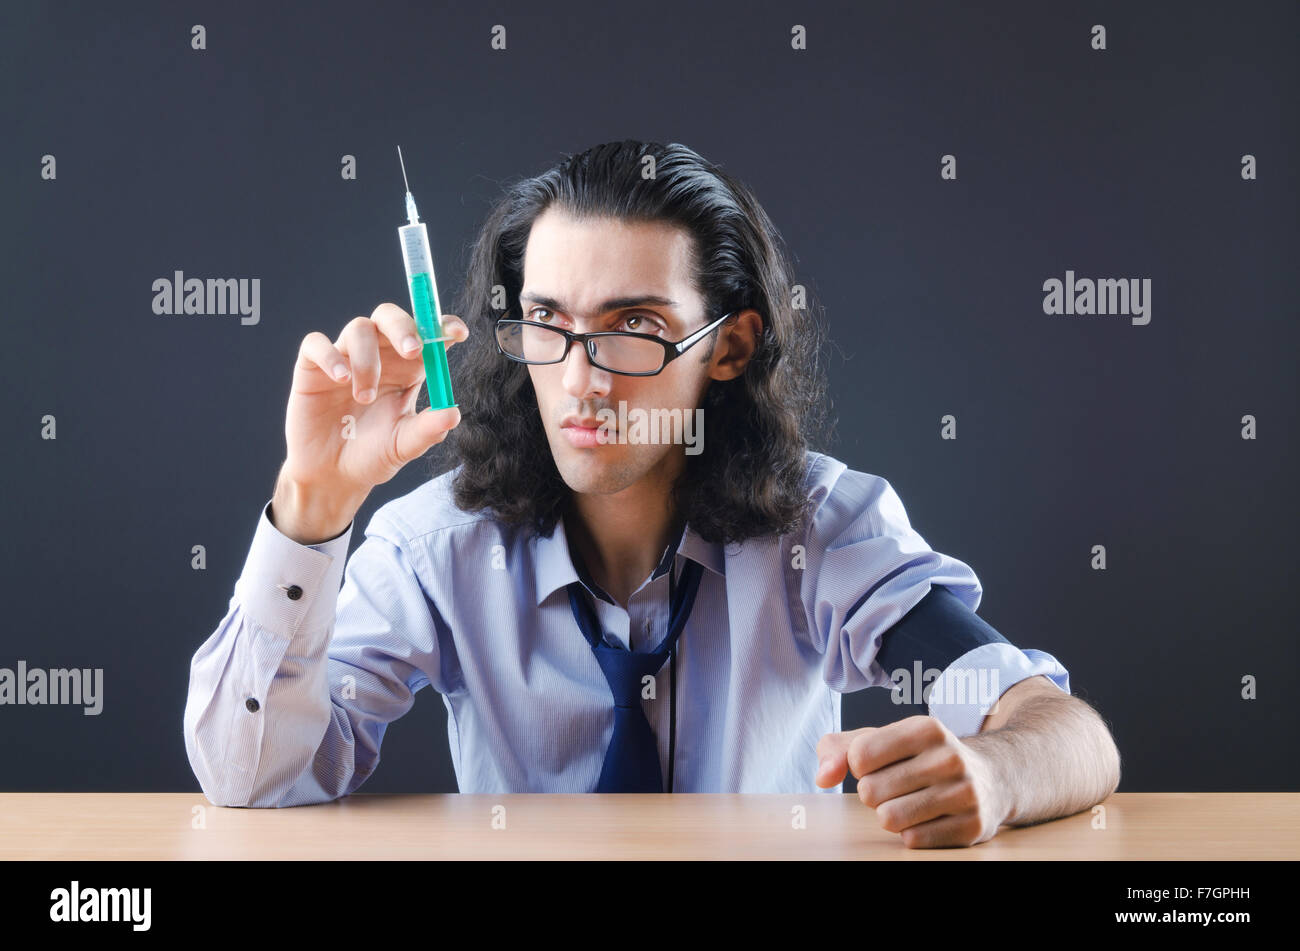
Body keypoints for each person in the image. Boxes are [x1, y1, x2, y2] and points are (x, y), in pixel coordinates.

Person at [184, 140, 1120, 848]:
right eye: (549, 321)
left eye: (633, 326)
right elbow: (250, 778)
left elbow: (1065, 731)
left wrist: (994, 773)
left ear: (731, 346)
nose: (584, 380)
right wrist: (312, 500)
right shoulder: (435, 549)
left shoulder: (820, 532)